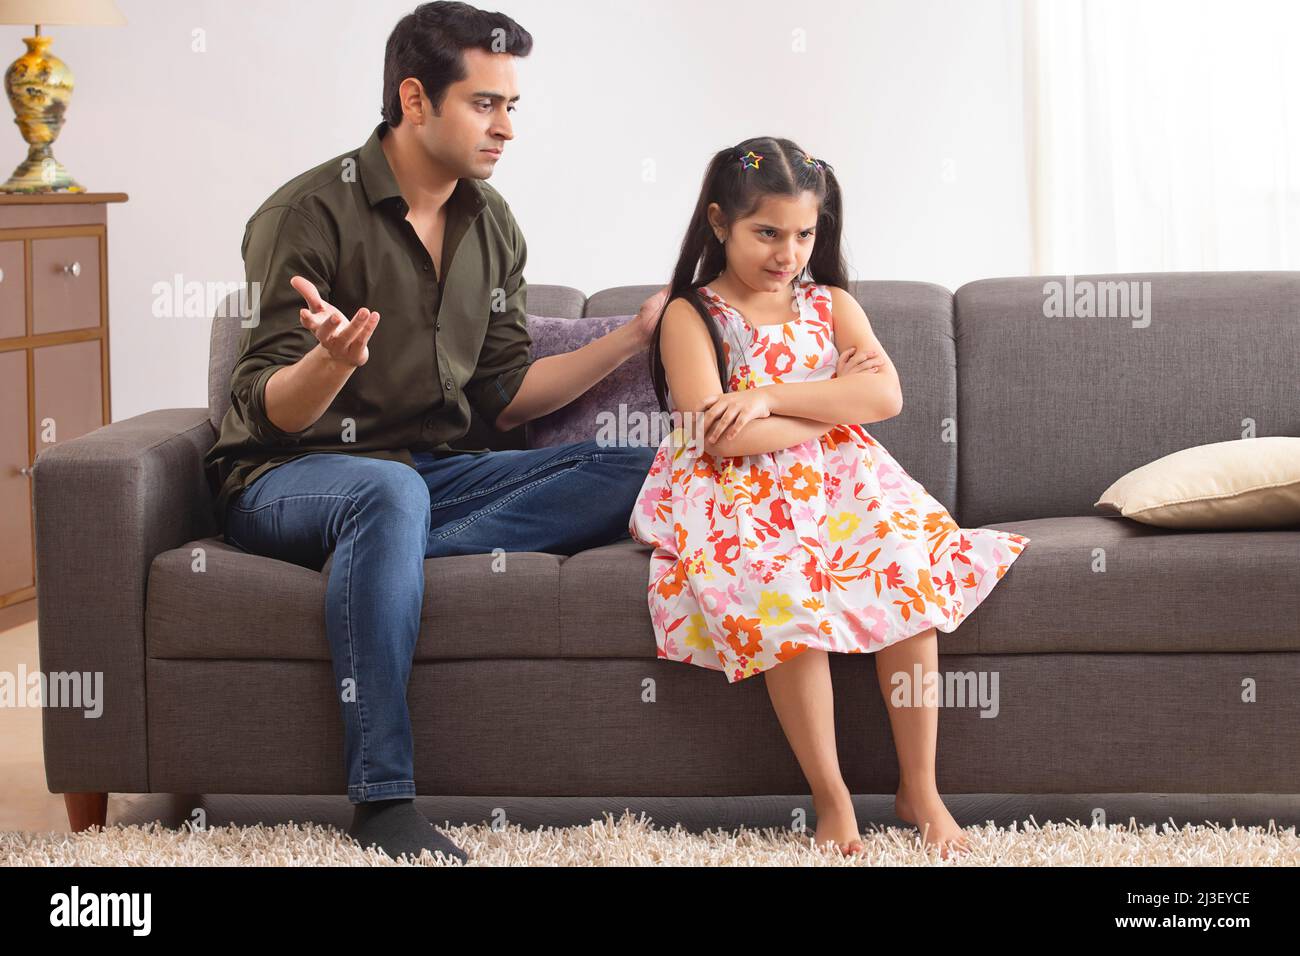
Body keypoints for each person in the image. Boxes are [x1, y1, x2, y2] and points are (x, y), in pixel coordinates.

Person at [203, 2, 660, 864]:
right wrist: (329, 365)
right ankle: (383, 802)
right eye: (485, 104)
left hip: (425, 474)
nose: (506, 129)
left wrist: (631, 338)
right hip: (286, 477)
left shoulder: (493, 226)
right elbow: (265, 407)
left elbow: (508, 395)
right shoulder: (308, 213)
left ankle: (381, 549)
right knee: (385, 490)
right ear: (415, 100)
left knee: (639, 468)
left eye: (512, 106)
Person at [628, 137, 1031, 860]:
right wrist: (831, 403)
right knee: (784, 591)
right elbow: (719, 436)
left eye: (804, 234)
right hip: (732, 491)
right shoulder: (693, 315)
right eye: (767, 233)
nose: (788, 253)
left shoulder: (831, 304)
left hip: (841, 481)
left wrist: (770, 396)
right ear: (719, 223)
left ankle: (920, 789)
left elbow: (886, 394)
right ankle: (832, 796)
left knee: (905, 575)